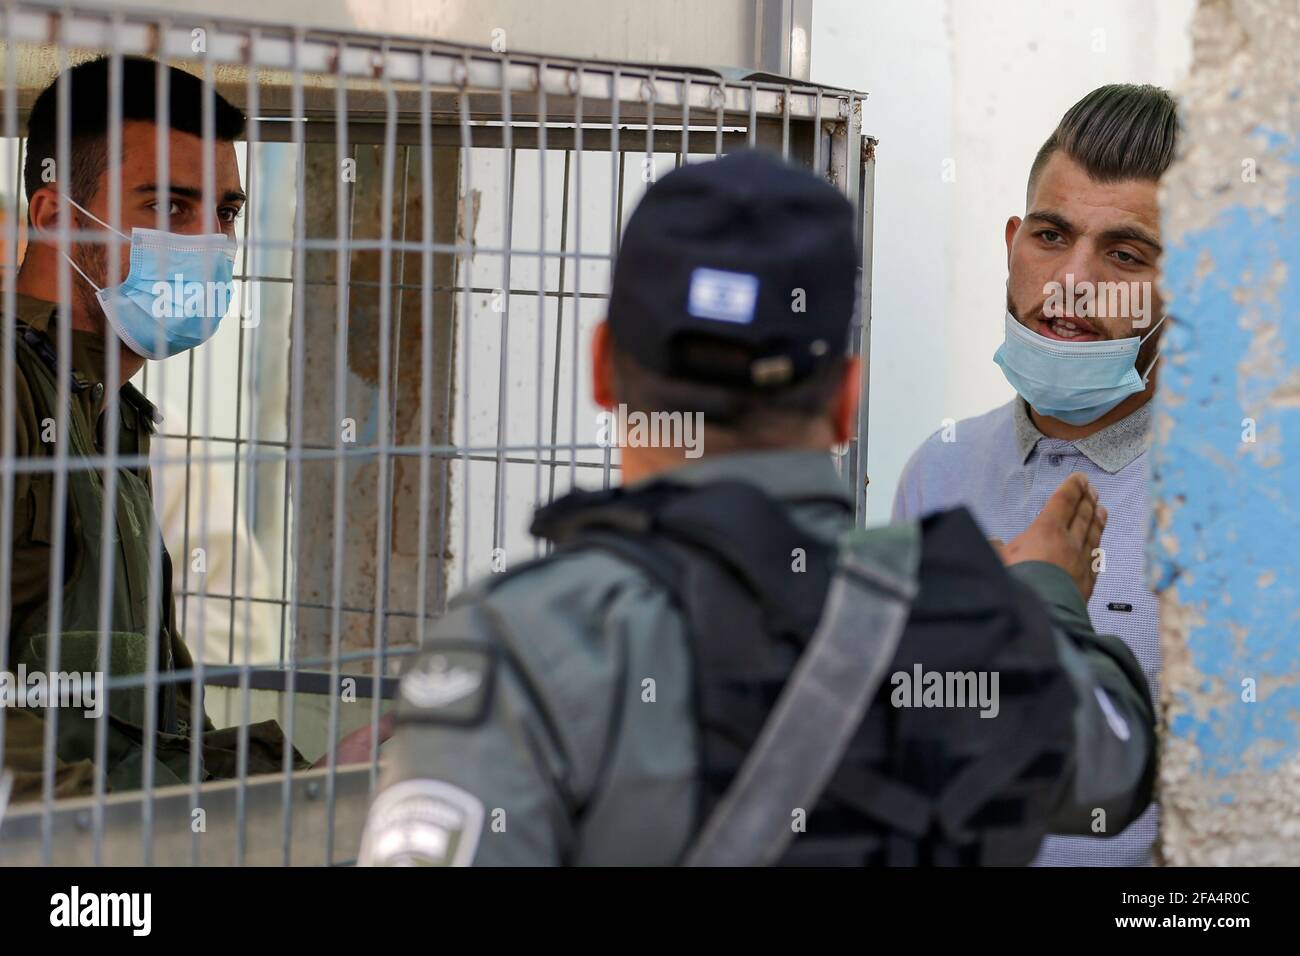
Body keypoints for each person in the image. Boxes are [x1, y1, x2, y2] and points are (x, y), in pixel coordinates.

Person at [360, 149, 1154, 866]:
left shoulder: (523, 641)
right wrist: (1047, 603)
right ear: (847, 399)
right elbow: (1117, 764)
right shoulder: (960, 619)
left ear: (603, 368)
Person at [1, 56, 385, 802]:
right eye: (170, 206)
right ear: (53, 217)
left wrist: (310, 784)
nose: (209, 242)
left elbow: (159, 732)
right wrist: (125, 835)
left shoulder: (111, 419)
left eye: (226, 213)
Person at [892, 84, 1177, 865]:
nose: (1070, 281)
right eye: (1051, 236)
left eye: (1124, 254)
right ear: (1013, 241)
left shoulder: (1236, 502)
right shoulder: (941, 470)